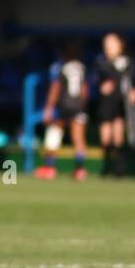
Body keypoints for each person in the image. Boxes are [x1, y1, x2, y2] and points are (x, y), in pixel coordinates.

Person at [36, 42, 89, 182]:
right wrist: (82, 106)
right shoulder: (81, 67)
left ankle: (49, 168)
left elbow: (55, 88)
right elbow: (84, 90)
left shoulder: (58, 67)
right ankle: (80, 170)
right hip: (78, 106)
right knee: (78, 138)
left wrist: (48, 107)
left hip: (63, 106)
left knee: (54, 133)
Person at [95, 32, 135, 177]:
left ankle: (119, 169)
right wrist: (101, 87)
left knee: (118, 137)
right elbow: (94, 82)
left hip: (121, 103)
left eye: (112, 43)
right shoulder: (101, 63)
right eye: (106, 44)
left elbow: (132, 83)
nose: (108, 47)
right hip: (106, 104)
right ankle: (107, 164)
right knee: (105, 138)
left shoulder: (128, 63)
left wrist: (134, 91)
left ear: (120, 46)